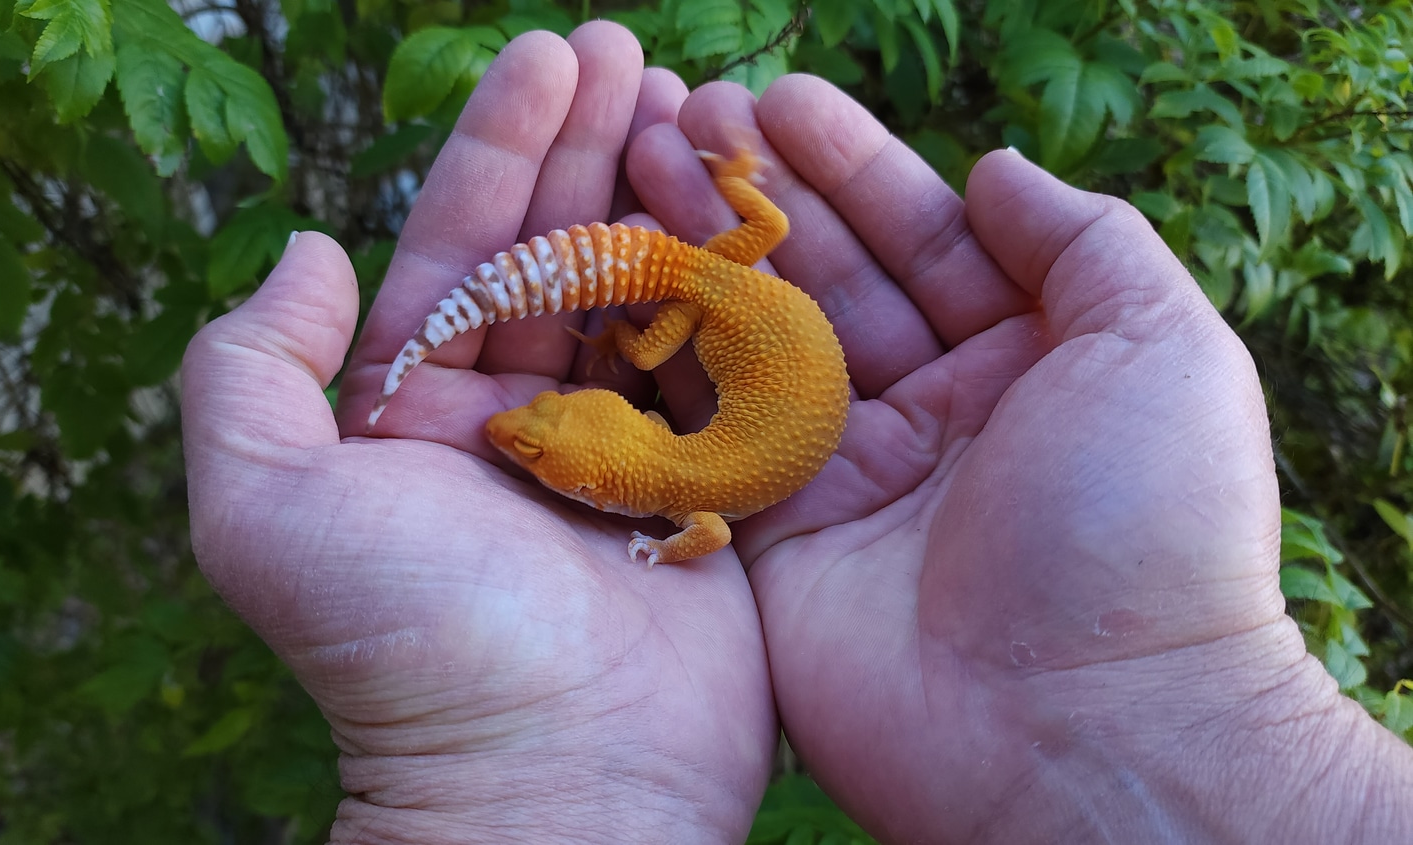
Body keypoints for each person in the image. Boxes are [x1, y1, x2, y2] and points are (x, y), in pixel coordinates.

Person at [180, 21, 1413, 844]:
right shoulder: (681, 469)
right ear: (611, 448)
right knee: (660, 298)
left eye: (535, 439)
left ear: (614, 478)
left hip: (728, 303)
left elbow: (706, 516)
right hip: (730, 292)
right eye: (543, 434)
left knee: (653, 307)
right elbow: (698, 497)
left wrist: (635, 414)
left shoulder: (684, 480)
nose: (518, 426)